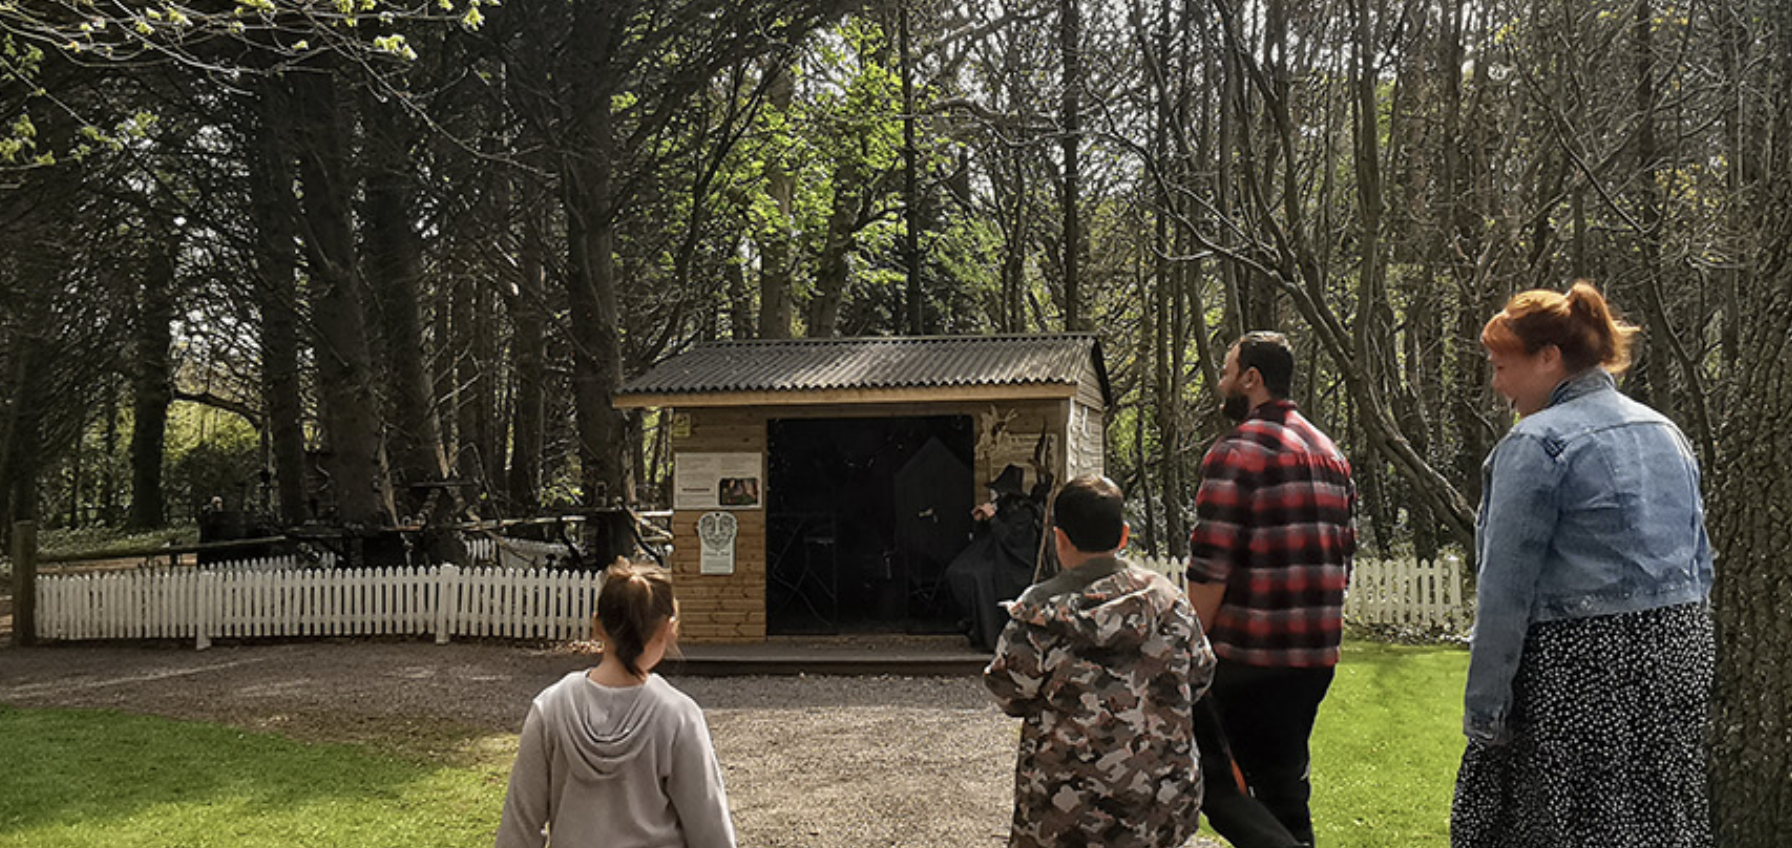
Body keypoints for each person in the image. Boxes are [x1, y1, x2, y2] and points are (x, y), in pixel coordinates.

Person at [1452, 282, 1714, 848]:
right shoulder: (1666, 433)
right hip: (1677, 655)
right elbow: (1700, 566)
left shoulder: (1536, 444)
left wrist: (1485, 713)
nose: (1497, 386)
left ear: (1548, 357)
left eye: (1502, 367)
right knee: (1655, 821)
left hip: (1578, 667)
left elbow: (1505, 590)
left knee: (1557, 824)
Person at [1186, 331, 1356, 848]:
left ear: (1251, 379)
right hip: (1315, 659)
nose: (1221, 384)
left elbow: (1210, 568)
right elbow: (1345, 558)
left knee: (1217, 786)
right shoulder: (1330, 453)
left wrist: (1186, 648)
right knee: (1283, 790)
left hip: (1248, 661)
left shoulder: (1236, 452)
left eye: (1227, 372)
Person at [984, 474, 1214, 848]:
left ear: (1059, 539)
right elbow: (1201, 675)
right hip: (1158, 807)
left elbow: (1007, 691)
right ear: (1124, 536)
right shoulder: (1171, 604)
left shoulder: (1038, 612)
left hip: (1063, 812)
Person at [496, 562, 736, 848]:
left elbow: (518, 829)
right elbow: (710, 831)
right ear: (668, 629)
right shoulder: (677, 715)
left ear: (598, 626)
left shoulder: (550, 708)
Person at [946, 464, 1046, 650]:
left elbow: (1011, 541)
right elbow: (986, 537)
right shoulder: (1004, 509)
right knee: (960, 573)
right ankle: (974, 624)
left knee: (979, 578)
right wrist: (980, 521)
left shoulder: (1024, 513)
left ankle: (987, 633)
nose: (999, 495)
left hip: (1014, 565)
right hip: (995, 559)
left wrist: (993, 518)